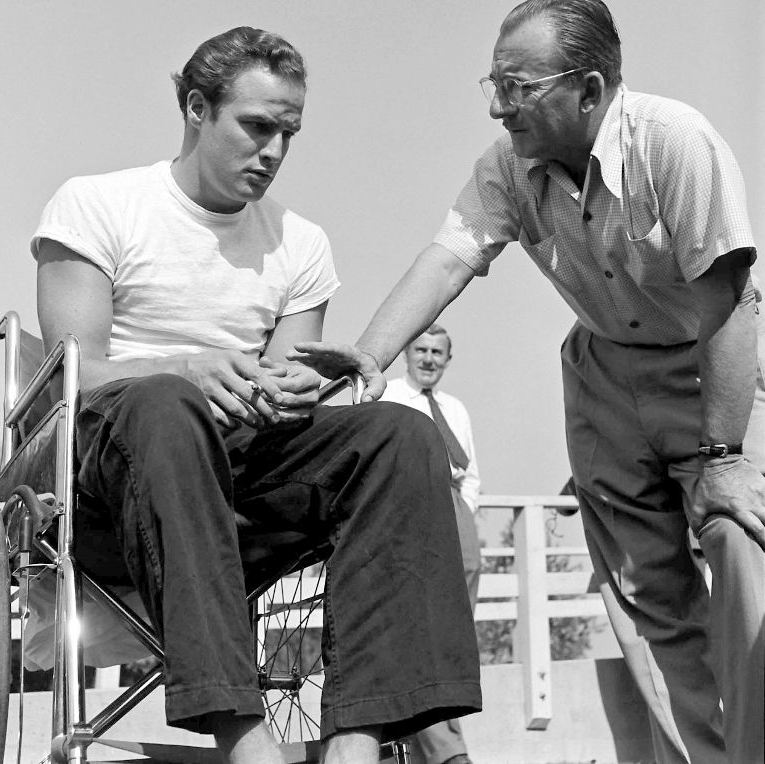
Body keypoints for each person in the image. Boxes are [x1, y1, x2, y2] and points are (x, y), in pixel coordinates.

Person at [289, 2, 765, 762]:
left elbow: (730, 302)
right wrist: (370, 357)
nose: (497, 104)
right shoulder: (505, 168)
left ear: (589, 87)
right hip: (605, 378)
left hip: (712, 368)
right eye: (495, 82)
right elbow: (448, 259)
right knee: (646, 600)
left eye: (518, 86)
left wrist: (722, 455)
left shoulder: (674, 144)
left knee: (739, 543)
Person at [31, 26, 481, 764]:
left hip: (234, 480)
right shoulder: (97, 204)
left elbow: (276, 404)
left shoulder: (300, 244)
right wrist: (182, 367)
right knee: (166, 405)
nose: (272, 150)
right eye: (257, 126)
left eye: (288, 133)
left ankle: (357, 740)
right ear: (198, 108)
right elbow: (71, 375)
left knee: (399, 431)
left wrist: (305, 384)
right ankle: (246, 741)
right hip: (108, 475)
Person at [381, 324, 480, 764]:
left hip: (455, 515)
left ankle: (431, 751)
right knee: (422, 633)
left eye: (438, 352)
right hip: (410, 512)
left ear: (448, 359)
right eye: (421, 349)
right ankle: (449, 753)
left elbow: (471, 472)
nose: (428, 359)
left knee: (454, 640)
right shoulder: (389, 400)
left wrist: (464, 514)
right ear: (406, 353)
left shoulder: (455, 408)